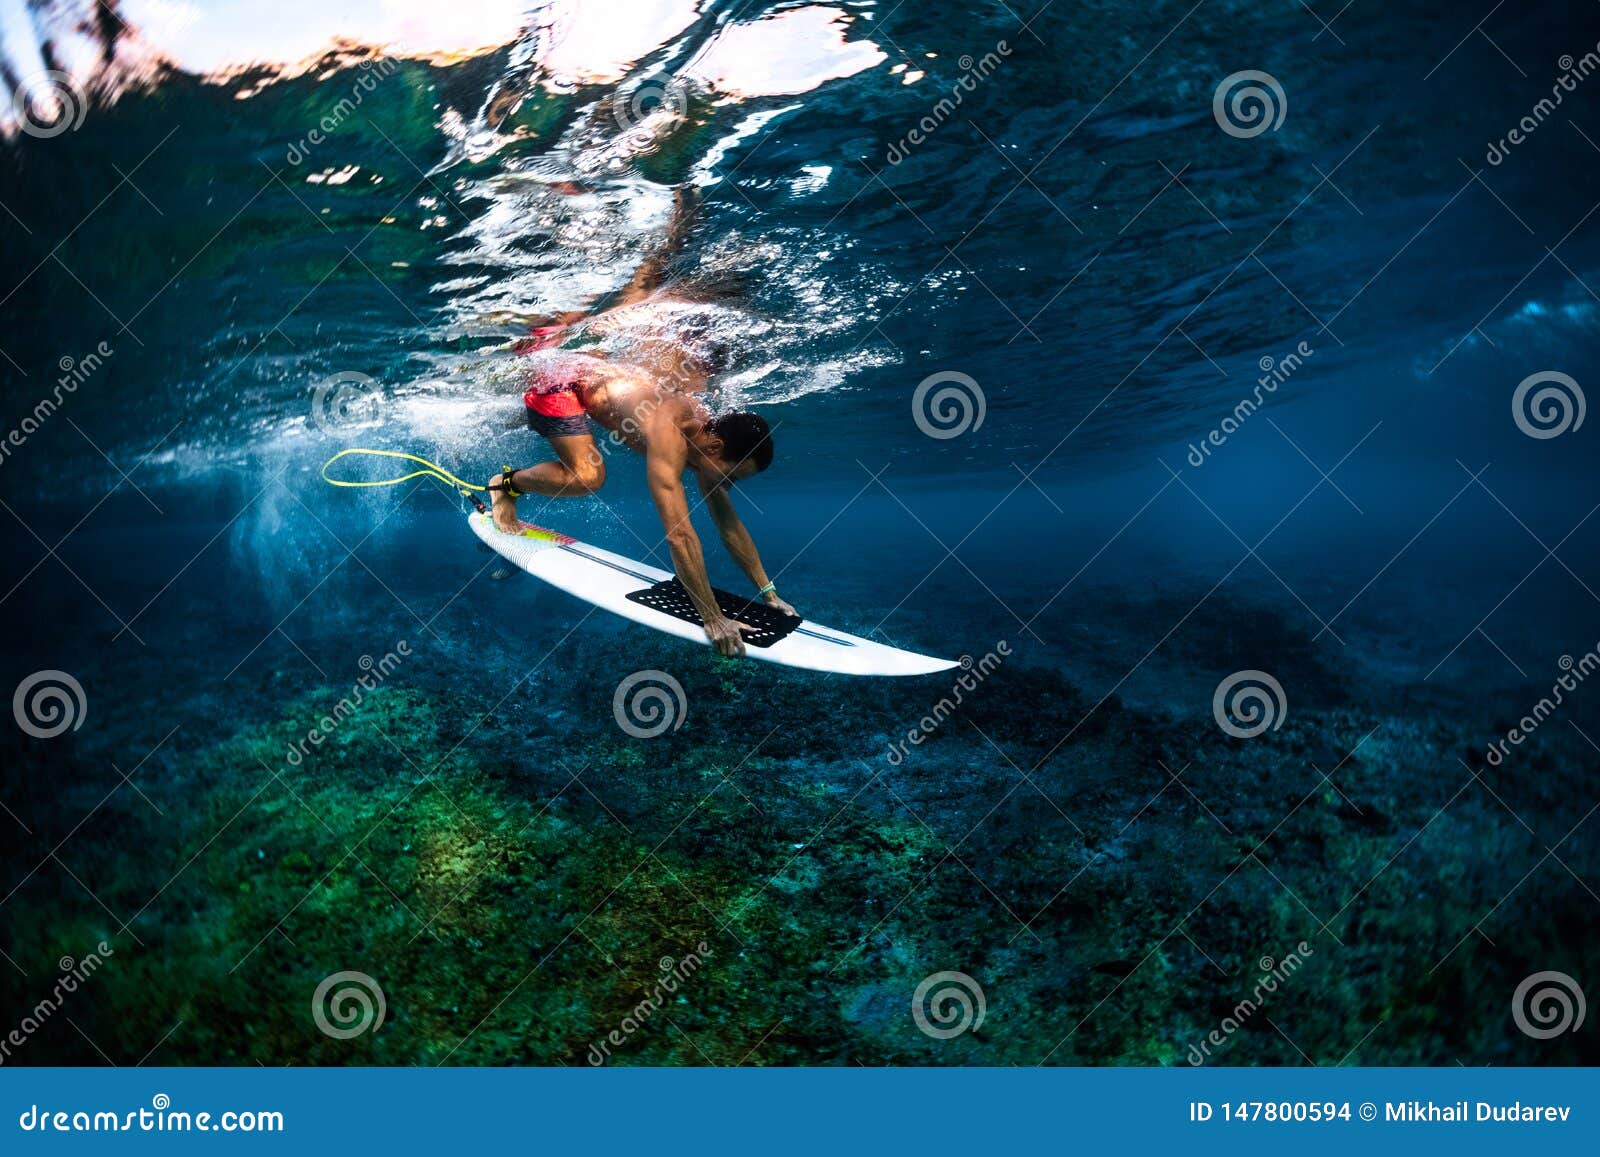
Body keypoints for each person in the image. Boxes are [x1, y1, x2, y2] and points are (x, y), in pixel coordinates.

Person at [487, 186, 794, 657]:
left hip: (594, 381)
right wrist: (712, 618)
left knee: (639, 302)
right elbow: (680, 531)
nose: (726, 485)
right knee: (589, 476)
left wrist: (768, 593)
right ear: (715, 451)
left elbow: (728, 524)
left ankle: (517, 417)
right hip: (563, 379)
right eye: (730, 475)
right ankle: (505, 486)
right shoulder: (671, 434)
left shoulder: (710, 446)